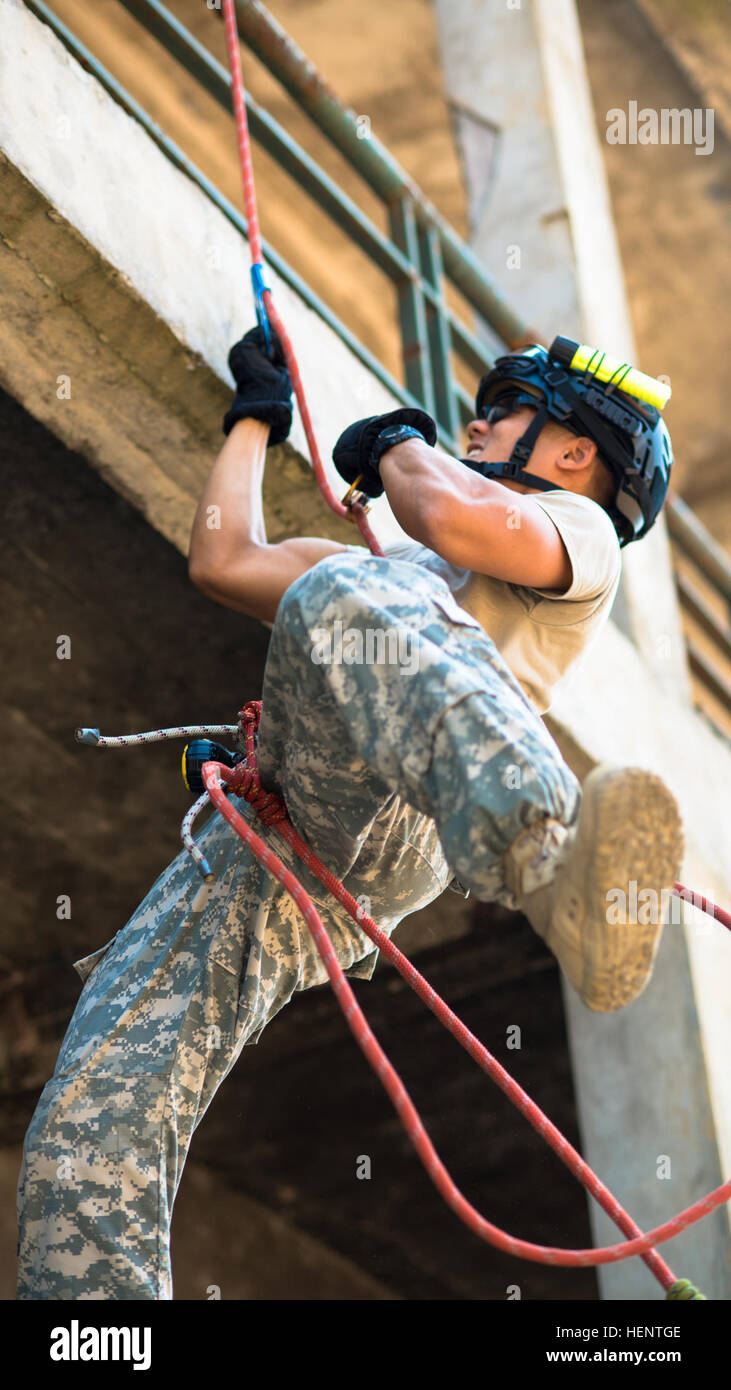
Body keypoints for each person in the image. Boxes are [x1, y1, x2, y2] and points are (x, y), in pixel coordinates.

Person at [15, 327, 683, 1299]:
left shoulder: (575, 536)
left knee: (340, 589)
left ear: (574, 454)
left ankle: (546, 857)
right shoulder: (376, 591)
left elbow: (451, 518)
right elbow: (224, 561)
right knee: (92, 1112)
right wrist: (253, 417)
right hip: (257, 858)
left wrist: (394, 443)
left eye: (499, 411)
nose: (475, 424)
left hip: (406, 813)